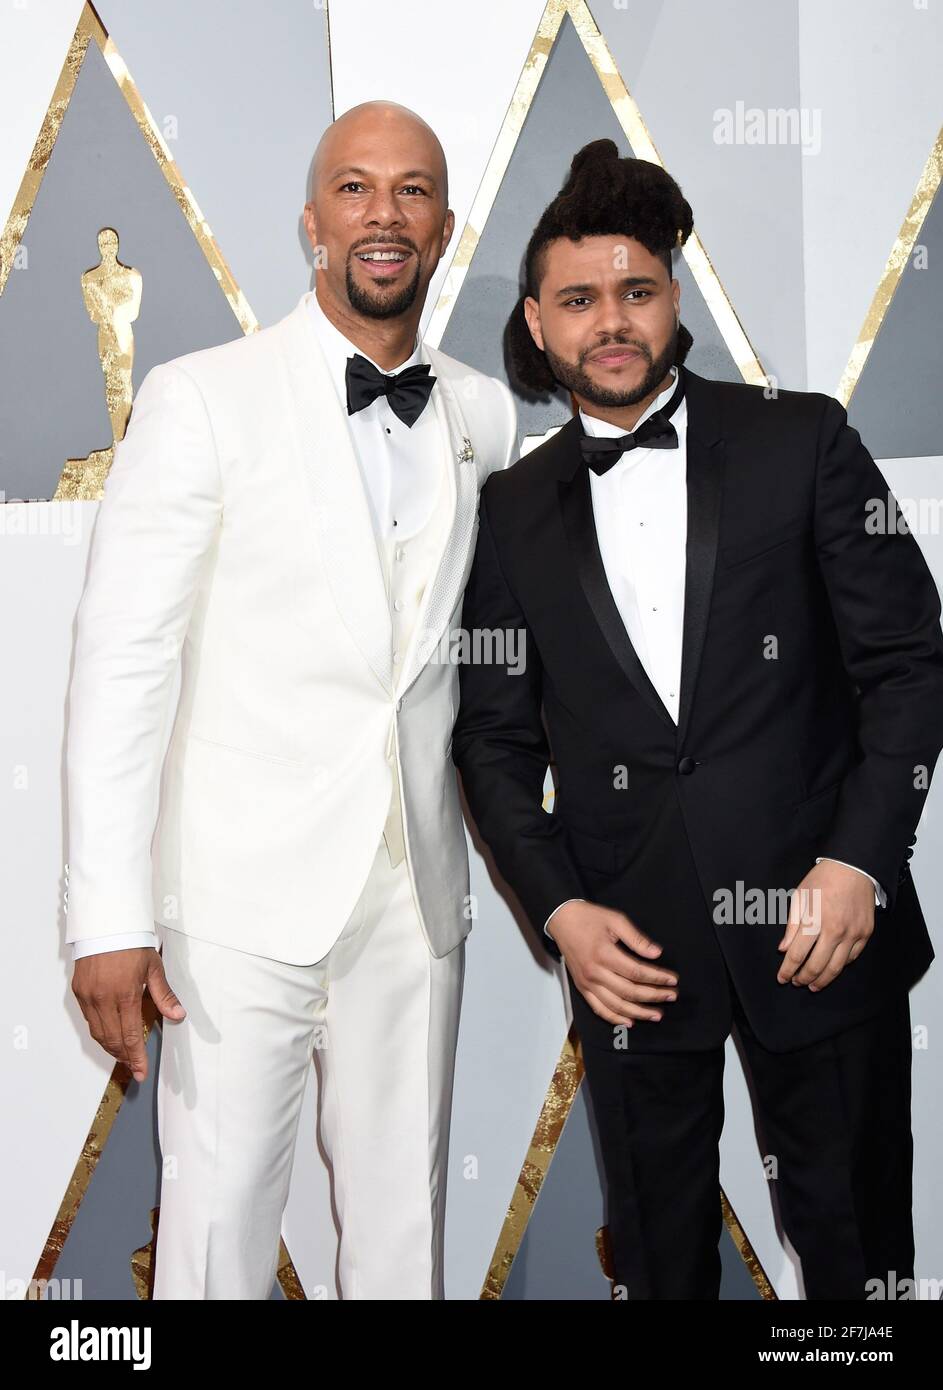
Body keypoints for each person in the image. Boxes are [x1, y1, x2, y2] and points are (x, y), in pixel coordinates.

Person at [452, 138, 943, 1300]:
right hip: (628, 952)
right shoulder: (512, 511)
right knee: (661, 1261)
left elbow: (910, 666)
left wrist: (858, 862)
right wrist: (562, 911)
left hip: (822, 929)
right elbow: (493, 739)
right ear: (536, 320)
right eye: (579, 300)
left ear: (674, 297)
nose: (610, 321)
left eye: (635, 291)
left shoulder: (801, 439)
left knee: (856, 1261)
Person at [66, 100, 517, 1300]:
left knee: (401, 1232)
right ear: (312, 223)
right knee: (214, 1236)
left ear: (444, 225)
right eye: (356, 189)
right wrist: (106, 910)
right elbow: (124, 658)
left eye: (412, 190)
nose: (385, 214)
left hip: (413, 893)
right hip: (234, 902)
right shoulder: (201, 395)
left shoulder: (481, 411)